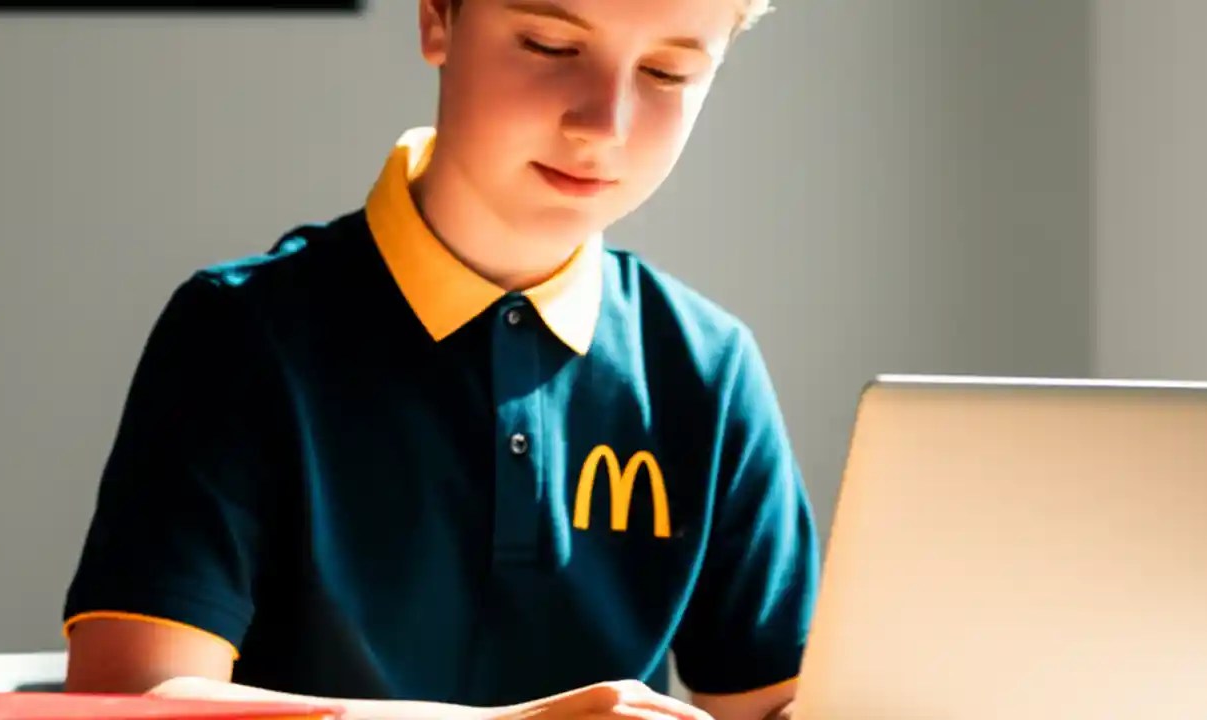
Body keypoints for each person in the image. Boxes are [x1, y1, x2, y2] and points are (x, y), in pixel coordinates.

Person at [60, 1, 819, 719]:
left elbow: (774, 700)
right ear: (437, 15)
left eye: (667, 74)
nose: (603, 124)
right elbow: (130, 698)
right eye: (552, 46)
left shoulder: (709, 369)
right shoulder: (239, 335)